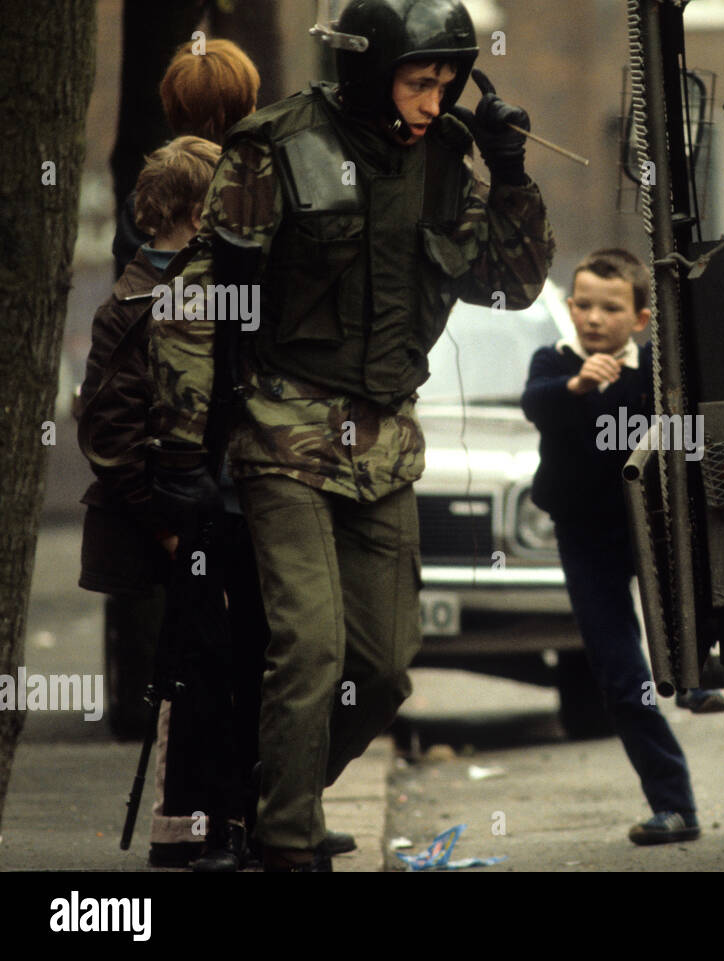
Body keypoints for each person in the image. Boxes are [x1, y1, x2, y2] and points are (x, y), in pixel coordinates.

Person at [148, 0, 554, 872]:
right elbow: (202, 295)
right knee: (312, 645)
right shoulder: (277, 144)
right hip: (283, 431)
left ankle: (265, 797)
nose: (434, 100)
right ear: (371, 75)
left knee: (383, 665)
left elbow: (514, 287)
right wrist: (182, 448)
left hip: (385, 444)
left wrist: (511, 173)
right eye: (419, 81)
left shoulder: (448, 162)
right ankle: (288, 839)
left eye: (447, 83)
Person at [78, 136, 271, 872]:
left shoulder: (205, 284)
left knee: (230, 665)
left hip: (225, 505)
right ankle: (205, 828)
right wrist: (160, 520)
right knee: (202, 673)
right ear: (200, 209)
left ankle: (228, 825)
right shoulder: (139, 303)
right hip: (185, 515)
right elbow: (109, 425)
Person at [522, 249, 702, 845]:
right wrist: (578, 386)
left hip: (650, 528)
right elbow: (538, 405)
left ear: (642, 318)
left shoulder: (652, 369)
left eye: (611, 307)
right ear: (569, 307)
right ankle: (673, 805)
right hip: (586, 536)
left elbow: (676, 425)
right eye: (585, 305)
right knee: (621, 673)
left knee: (692, 619)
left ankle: (701, 675)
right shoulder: (555, 365)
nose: (595, 318)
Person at [112, 38, 261, 277]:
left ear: (171, 109)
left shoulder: (147, 198)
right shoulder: (268, 182)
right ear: (248, 107)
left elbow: (132, 291)